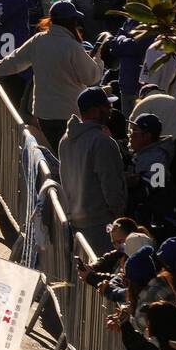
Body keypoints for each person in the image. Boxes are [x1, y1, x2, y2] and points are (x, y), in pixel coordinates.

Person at [0, 0, 102, 152]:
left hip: (44, 114)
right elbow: (91, 78)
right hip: (69, 113)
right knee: (67, 156)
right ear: (71, 22)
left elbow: (14, 62)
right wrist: (98, 61)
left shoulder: (38, 41)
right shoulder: (73, 47)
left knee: (55, 152)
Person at [58, 86, 127, 255]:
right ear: (96, 111)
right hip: (102, 224)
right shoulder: (103, 142)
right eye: (107, 106)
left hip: (75, 220)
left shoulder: (65, 140)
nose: (110, 110)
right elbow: (110, 185)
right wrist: (119, 215)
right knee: (103, 272)